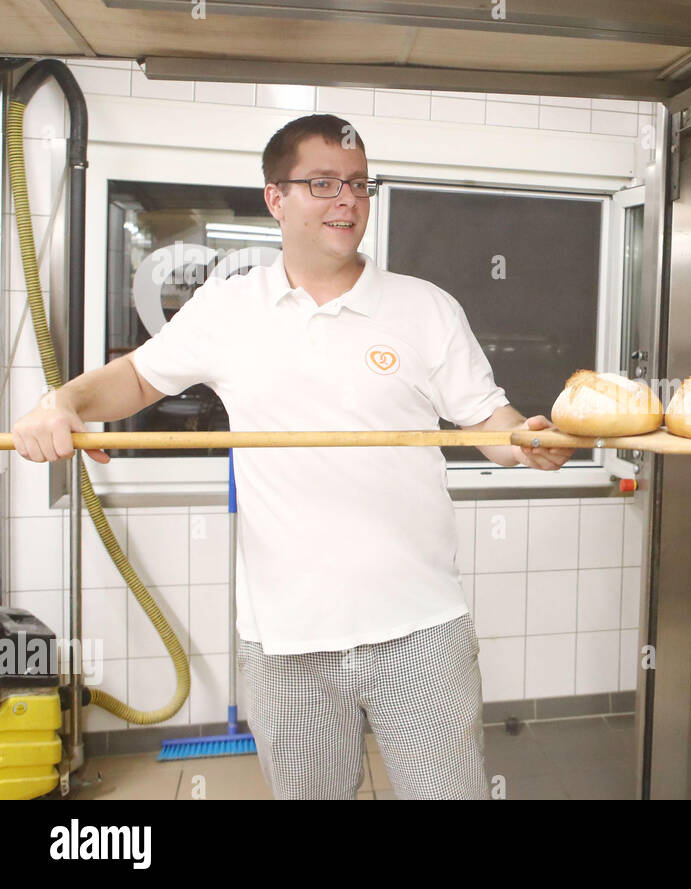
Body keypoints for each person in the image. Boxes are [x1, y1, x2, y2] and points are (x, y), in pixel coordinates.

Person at [11, 113, 575, 799]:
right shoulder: (228, 309)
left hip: (422, 627)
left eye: (361, 184)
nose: (349, 200)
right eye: (324, 183)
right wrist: (62, 402)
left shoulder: (425, 309)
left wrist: (524, 440)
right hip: (287, 638)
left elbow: (487, 417)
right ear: (276, 198)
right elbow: (133, 379)